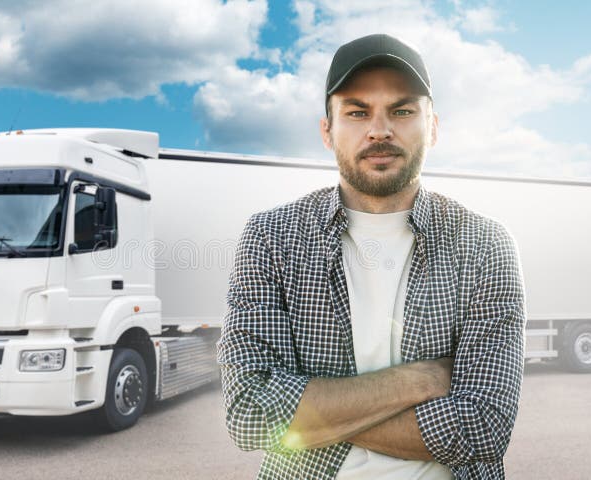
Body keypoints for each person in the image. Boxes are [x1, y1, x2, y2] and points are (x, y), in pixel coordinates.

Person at [217, 33, 526, 480]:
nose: (379, 130)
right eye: (357, 112)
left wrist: (316, 412)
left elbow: (483, 427)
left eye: (401, 111)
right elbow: (249, 413)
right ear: (327, 130)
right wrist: (413, 382)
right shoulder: (272, 238)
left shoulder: (484, 243)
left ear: (433, 127)